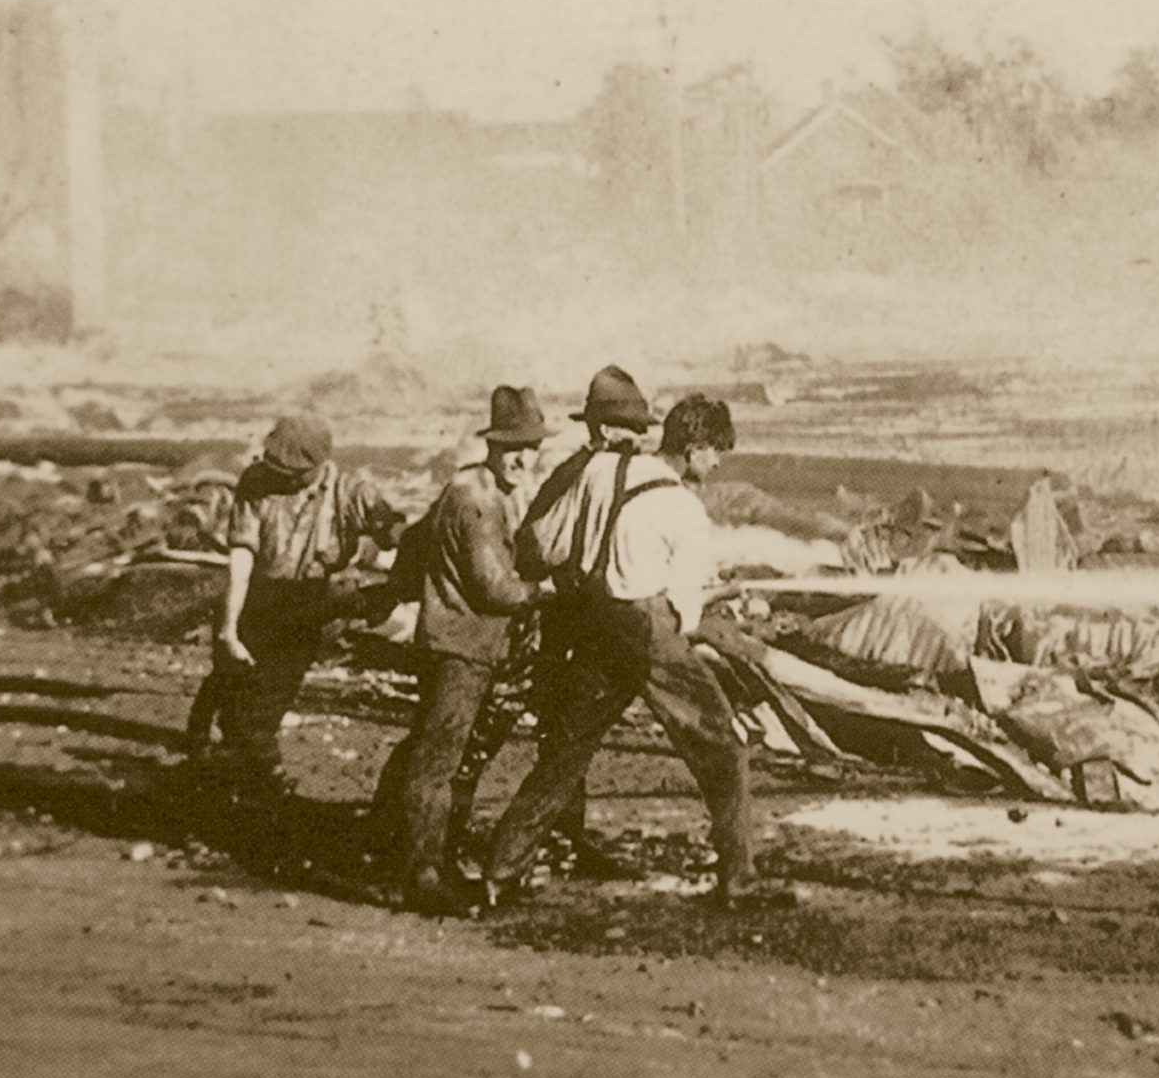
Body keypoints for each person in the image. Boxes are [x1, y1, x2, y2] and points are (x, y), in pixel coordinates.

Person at [484, 392, 782, 908]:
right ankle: (739, 880)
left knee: (566, 755)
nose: (716, 464)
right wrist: (719, 599)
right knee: (724, 748)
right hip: (647, 632)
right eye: (716, 452)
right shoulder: (685, 509)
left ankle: (500, 874)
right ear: (694, 448)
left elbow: (550, 544)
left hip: (595, 625)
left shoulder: (601, 470)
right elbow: (684, 614)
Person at [187, 414, 401, 857]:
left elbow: (395, 533)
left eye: (291, 473)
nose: (281, 479)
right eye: (276, 469)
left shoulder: (351, 493)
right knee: (230, 693)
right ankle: (223, 779)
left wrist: (394, 565)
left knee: (261, 712)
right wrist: (229, 627)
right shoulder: (256, 482)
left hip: (308, 605)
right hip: (256, 597)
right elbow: (242, 559)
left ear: (318, 465)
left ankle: (264, 802)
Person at [373, 386, 545, 912]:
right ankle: (420, 875)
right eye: (513, 448)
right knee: (438, 763)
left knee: (428, 751)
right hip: (461, 646)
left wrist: (404, 588)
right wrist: (547, 591)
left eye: (531, 448)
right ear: (493, 444)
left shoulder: (472, 487)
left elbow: (412, 543)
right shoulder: (477, 500)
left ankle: (395, 848)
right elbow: (495, 589)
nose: (523, 458)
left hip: (457, 642)